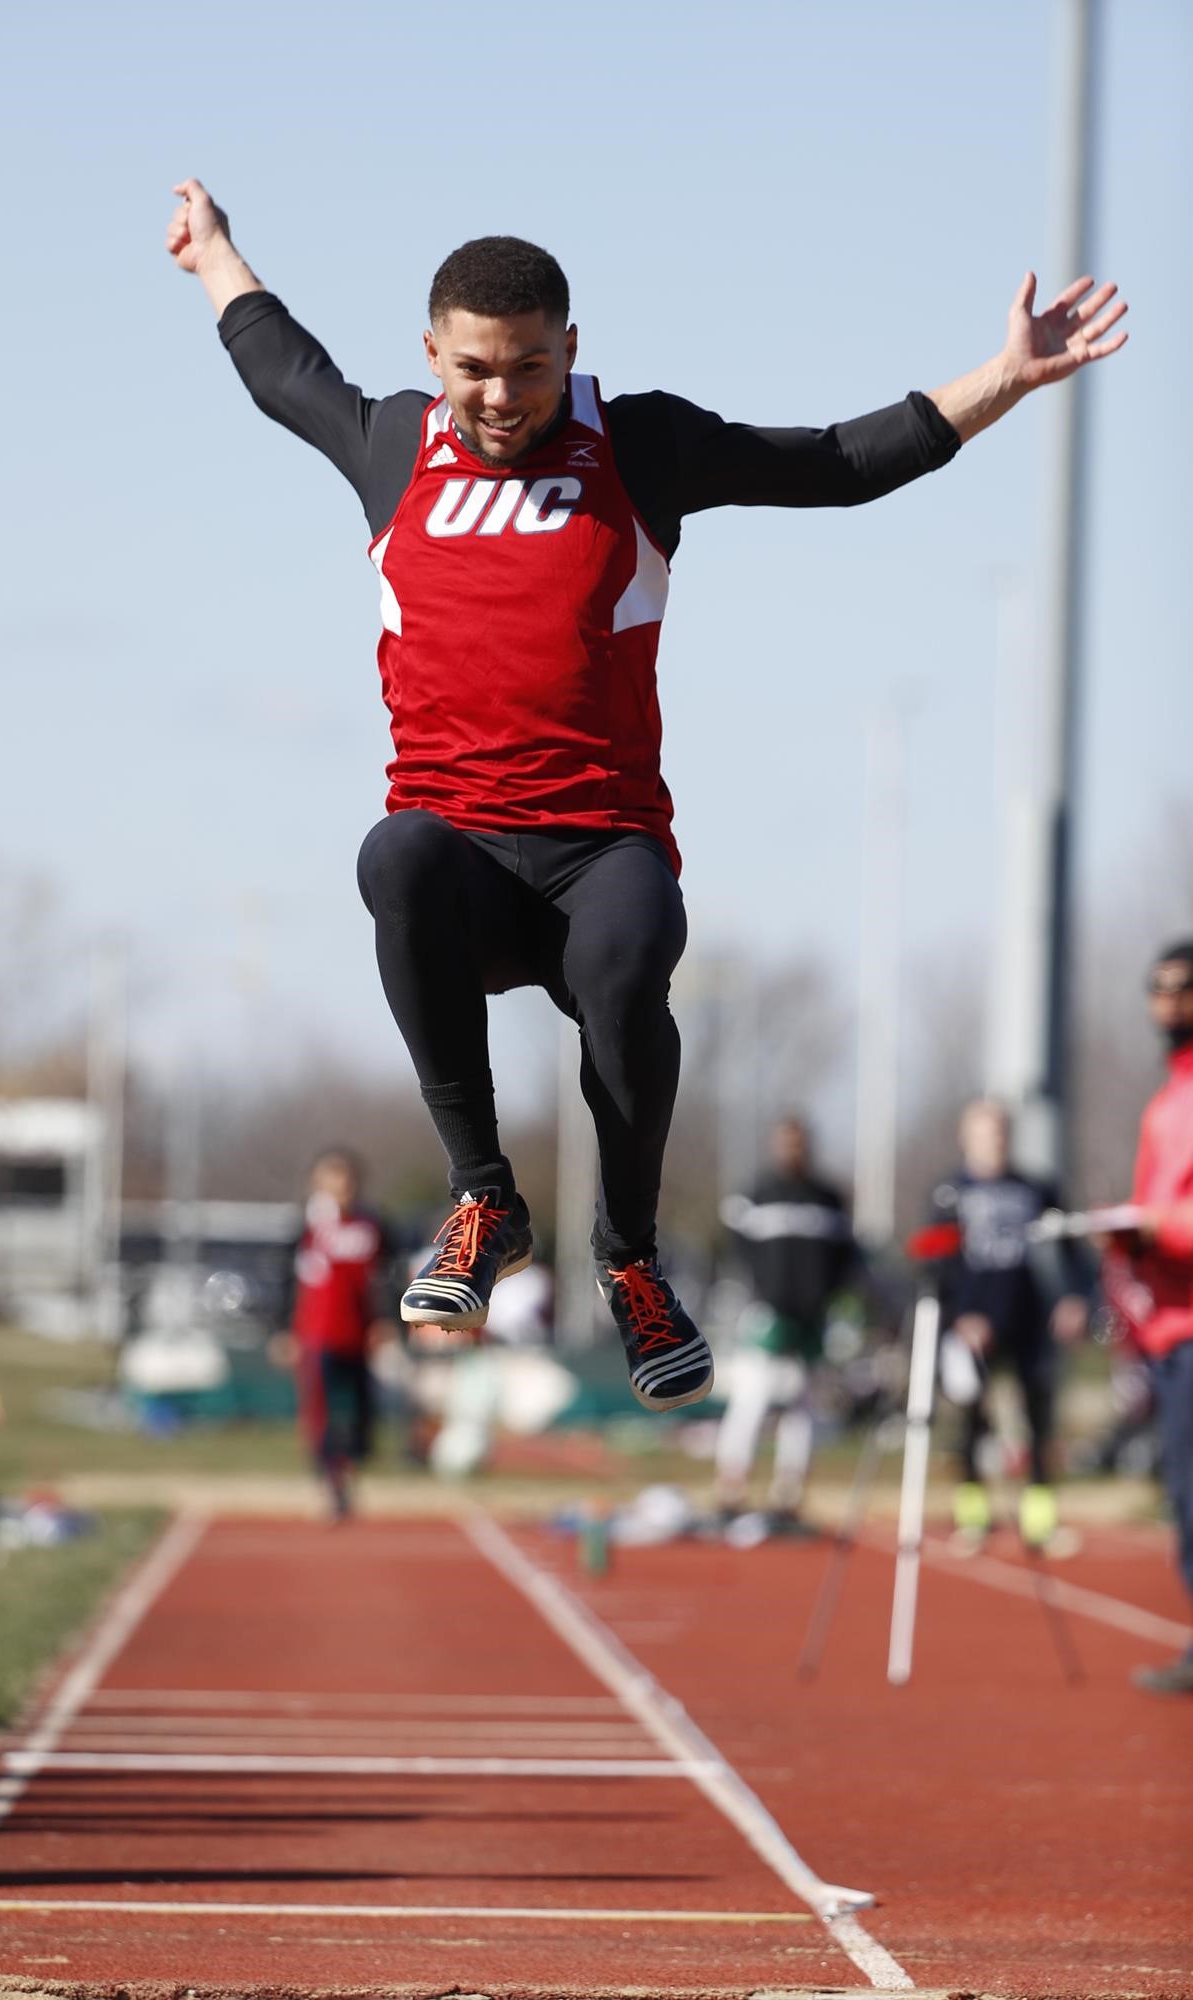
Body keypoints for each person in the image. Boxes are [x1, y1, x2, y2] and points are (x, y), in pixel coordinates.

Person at [167, 177, 1126, 1413]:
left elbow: (833, 463)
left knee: (627, 956)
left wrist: (1001, 379)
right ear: (431, 355)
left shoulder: (638, 444)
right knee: (390, 854)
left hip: (598, 850)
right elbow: (278, 368)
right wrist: (214, 258)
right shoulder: (396, 441)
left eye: (524, 367)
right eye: (473, 369)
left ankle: (629, 1259)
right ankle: (483, 1199)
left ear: (568, 348)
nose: (498, 397)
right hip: (458, 850)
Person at [930, 1099, 1090, 1552]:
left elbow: (1073, 1248)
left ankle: (1039, 1523)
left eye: (1001, 1130)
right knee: (971, 1424)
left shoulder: (1035, 1189)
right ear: (967, 1137)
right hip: (969, 1328)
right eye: (985, 1131)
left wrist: (1073, 1299)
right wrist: (960, 1316)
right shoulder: (948, 1194)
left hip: (1028, 1321)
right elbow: (935, 1265)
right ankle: (974, 1519)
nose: (995, 1139)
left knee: (1038, 1422)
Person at [1115, 942, 1193, 1694]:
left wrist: (1153, 1226)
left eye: (1183, 989)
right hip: (1169, 1329)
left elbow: (1174, 1214)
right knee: (1183, 1493)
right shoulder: (1166, 1099)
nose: (1167, 1003)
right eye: (1157, 988)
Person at [716, 1114, 859, 1523]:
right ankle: (732, 1484)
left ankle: (789, 1491)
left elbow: (845, 1256)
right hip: (770, 1313)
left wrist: (826, 1298)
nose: (792, 1150)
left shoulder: (827, 1198)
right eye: (786, 1142)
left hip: (813, 1317)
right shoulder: (758, 1194)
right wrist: (767, 1294)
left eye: (799, 1143)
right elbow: (740, 1251)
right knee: (753, 1398)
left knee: (804, 1407)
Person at [287, 1148, 390, 1520]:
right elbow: (288, 1278)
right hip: (317, 1334)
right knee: (322, 1412)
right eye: (332, 1179)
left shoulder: (372, 1225)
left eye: (346, 1180)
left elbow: (384, 1276)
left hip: (359, 1334)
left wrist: (384, 1320)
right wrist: (284, 1330)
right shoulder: (306, 1224)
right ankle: (330, 1479)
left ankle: (350, 1466)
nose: (340, 1188)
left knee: (361, 1412)